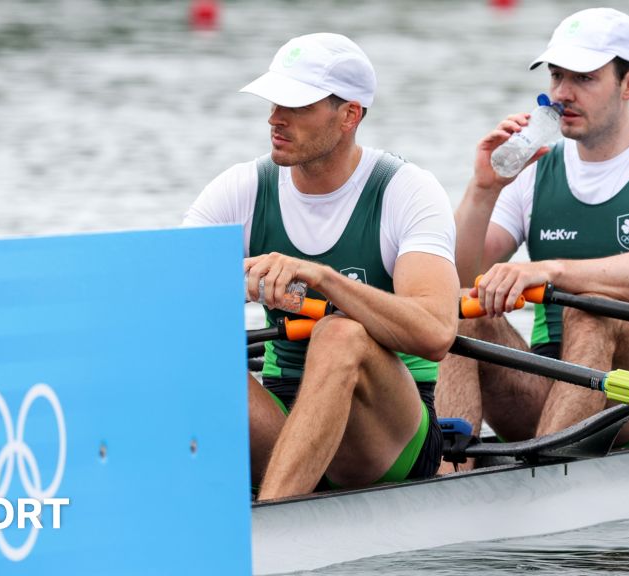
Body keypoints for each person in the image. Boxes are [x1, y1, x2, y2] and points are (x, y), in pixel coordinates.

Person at [437, 8, 629, 473]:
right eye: (557, 76)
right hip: (544, 385)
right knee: (463, 308)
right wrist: (483, 189)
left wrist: (547, 270)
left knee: (591, 306)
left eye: (584, 78)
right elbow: (452, 276)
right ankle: (448, 476)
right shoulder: (535, 169)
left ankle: (546, 476)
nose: (562, 93)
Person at [183, 33, 460, 500]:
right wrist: (225, 287)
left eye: (297, 105)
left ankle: (274, 522)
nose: (275, 118)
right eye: (274, 102)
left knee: (338, 334)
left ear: (349, 115)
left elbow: (436, 334)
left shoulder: (406, 191)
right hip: (282, 414)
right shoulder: (241, 188)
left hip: (386, 435)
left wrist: (323, 278)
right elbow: (167, 294)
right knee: (183, 343)